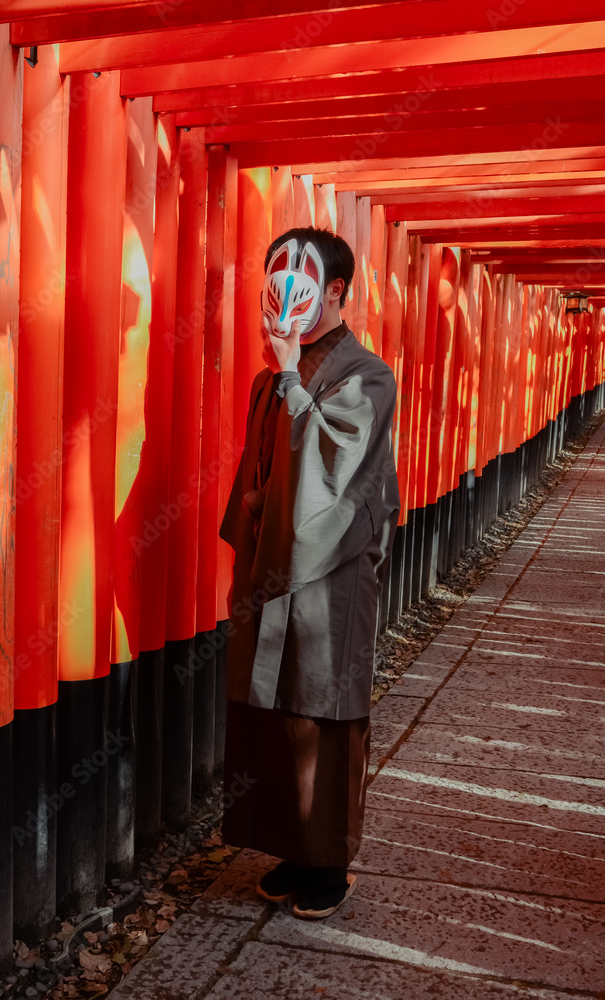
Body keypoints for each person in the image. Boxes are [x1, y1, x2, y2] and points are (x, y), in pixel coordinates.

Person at [219, 226, 400, 919]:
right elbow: (260, 483)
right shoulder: (272, 379)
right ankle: (290, 849)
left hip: (334, 576)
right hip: (275, 570)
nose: (283, 298)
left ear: (334, 291)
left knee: (322, 708)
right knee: (277, 708)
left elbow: (331, 465)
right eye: (274, 282)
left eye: (299, 285)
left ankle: (329, 863)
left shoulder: (368, 376)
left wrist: (293, 378)